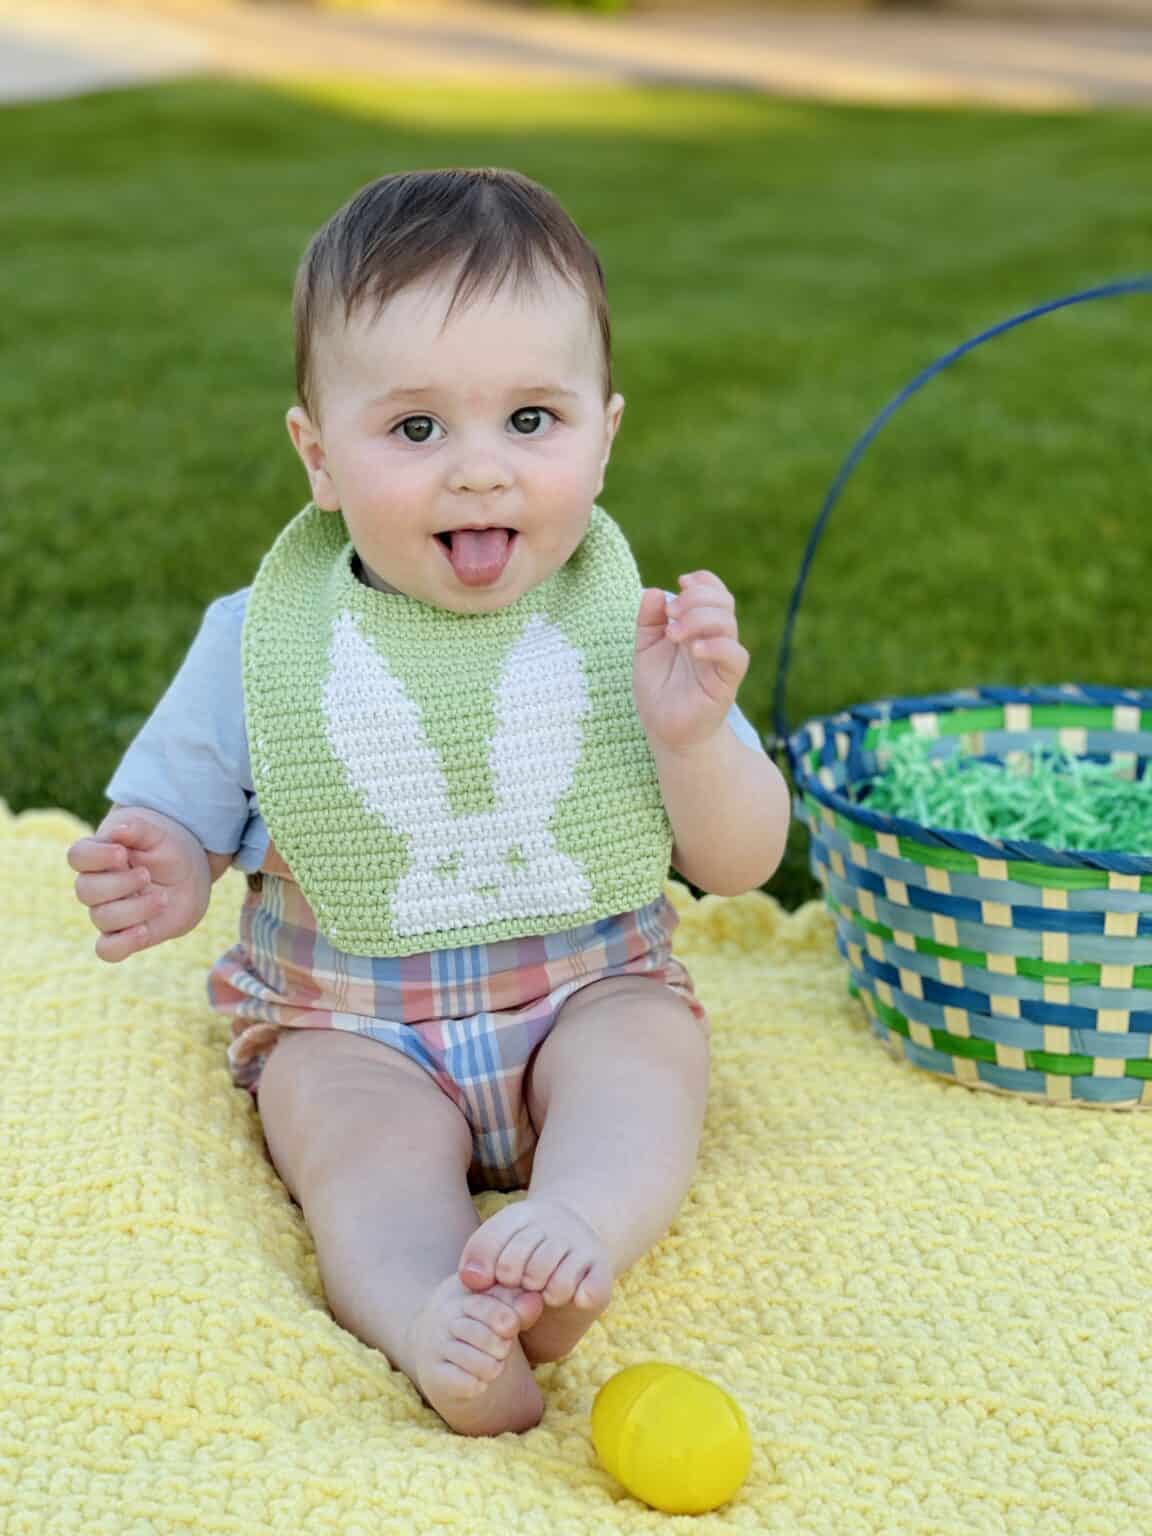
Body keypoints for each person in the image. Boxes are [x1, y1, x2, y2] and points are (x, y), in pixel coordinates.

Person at [66, 168, 791, 1438]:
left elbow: (742, 864)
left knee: (651, 1060)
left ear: (606, 434)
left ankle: (575, 1225)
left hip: (583, 995)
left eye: (530, 419)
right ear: (319, 455)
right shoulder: (264, 645)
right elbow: (177, 815)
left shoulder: (634, 639)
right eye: (414, 431)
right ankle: (423, 1313)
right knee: (356, 1150)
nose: (478, 474)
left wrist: (690, 741)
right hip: (352, 1025)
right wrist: (166, 867)